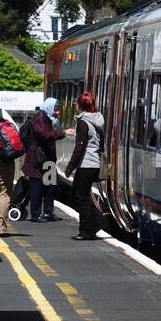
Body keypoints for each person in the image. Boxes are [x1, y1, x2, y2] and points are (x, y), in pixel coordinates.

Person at [65, 91, 105, 241]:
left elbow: (79, 147)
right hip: (94, 163)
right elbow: (101, 144)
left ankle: (87, 230)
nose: (76, 106)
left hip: (86, 164)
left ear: (81, 105)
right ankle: (97, 221)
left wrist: (70, 167)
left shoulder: (83, 123)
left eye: (77, 103)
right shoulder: (97, 120)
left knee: (80, 198)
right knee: (80, 195)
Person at [23, 97, 66, 222]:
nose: (57, 113)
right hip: (37, 160)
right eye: (55, 110)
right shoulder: (39, 118)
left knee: (50, 185)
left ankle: (48, 211)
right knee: (37, 186)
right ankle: (35, 214)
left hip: (47, 159)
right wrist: (62, 133)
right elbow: (45, 135)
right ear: (49, 108)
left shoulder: (47, 118)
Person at [0, 107, 18, 235]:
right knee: (3, 193)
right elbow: (16, 133)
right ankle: (0, 228)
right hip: (3, 159)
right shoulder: (0, 114)